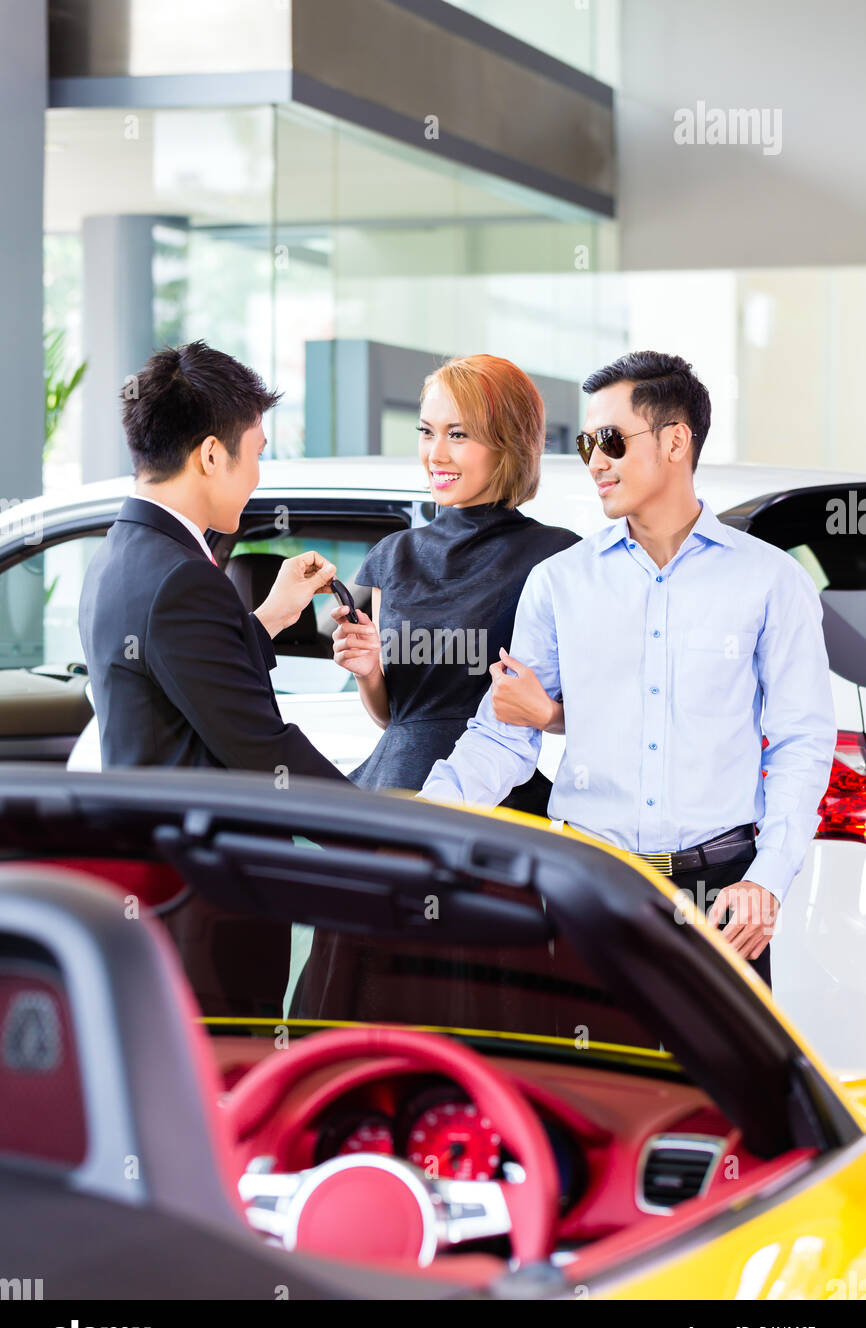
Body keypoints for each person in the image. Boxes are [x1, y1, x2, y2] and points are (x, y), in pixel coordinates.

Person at [420, 351, 837, 987]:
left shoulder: (771, 581)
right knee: (591, 1085)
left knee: (723, 1086)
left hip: (723, 897)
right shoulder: (559, 581)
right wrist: (426, 815)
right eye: (587, 442)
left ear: (675, 441)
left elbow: (801, 741)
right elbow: (503, 736)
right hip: (589, 890)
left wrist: (766, 878)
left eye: (611, 441)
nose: (595, 461)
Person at [79, 340, 348, 782]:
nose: (259, 475)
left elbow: (190, 673)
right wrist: (390, 840)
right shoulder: (182, 579)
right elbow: (265, 751)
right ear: (210, 455)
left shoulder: (116, 552)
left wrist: (269, 619)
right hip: (197, 846)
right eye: (258, 453)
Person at [329, 353, 578, 813]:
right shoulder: (388, 555)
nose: (436, 454)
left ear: (509, 443)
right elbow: (393, 718)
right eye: (427, 432)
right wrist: (368, 672)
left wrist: (547, 714)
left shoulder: (560, 556)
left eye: (458, 434)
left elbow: (608, 712)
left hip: (496, 802)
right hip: (393, 790)